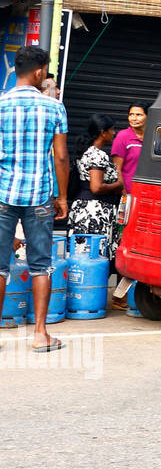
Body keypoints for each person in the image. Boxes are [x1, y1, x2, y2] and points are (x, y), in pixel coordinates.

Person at [0, 46, 70, 352]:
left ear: (16, 69)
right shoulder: (54, 108)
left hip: (2, 193)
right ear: (40, 71)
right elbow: (62, 157)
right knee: (41, 265)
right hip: (40, 196)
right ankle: (40, 335)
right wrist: (62, 197)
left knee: (0, 267)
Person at [70, 114, 123, 238]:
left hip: (84, 209)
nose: (114, 133)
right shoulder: (97, 155)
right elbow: (96, 187)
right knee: (94, 253)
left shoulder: (85, 151)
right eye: (112, 129)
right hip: (95, 212)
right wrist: (118, 185)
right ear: (103, 132)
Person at [111, 103, 147, 195]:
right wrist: (124, 197)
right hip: (127, 193)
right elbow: (116, 169)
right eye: (131, 115)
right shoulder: (123, 136)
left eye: (139, 115)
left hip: (147, 193)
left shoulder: (153, 137)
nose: (134, 118)